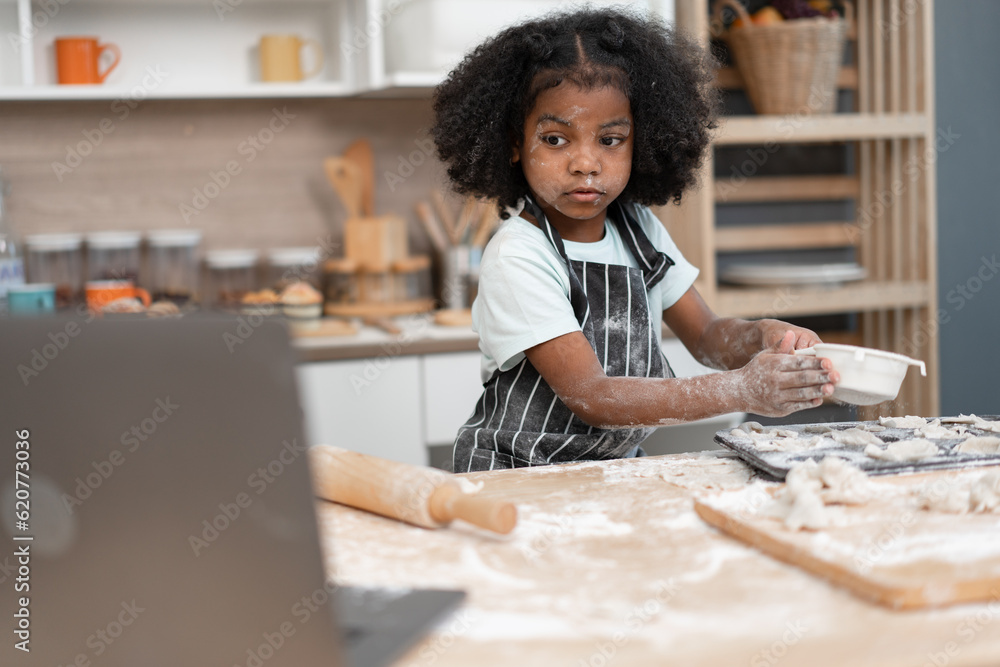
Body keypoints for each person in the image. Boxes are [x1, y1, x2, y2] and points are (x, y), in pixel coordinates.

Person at [431, 7, 839, 472]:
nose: (585, 163)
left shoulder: (638, 229)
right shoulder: (518, 255)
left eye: (610, 140)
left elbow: (705, 336)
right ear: (514, 143)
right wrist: (741, 391)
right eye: (555, 139)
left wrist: (761, 335)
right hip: (517, 478)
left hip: (606, 471)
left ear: (641, 140)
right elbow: (594, 397)